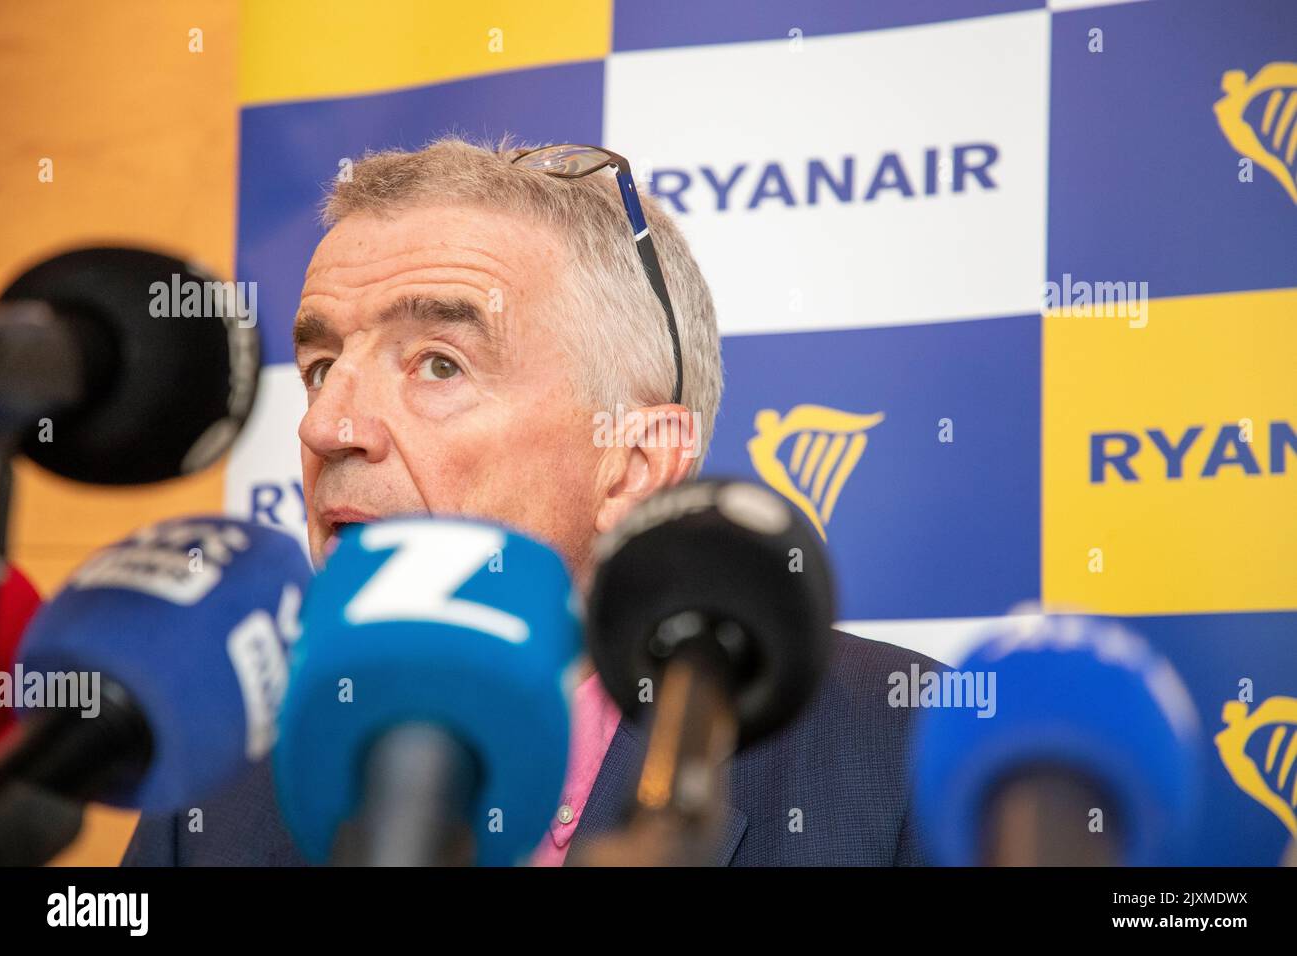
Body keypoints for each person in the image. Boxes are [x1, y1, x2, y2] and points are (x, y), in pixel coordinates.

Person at [124, 136, 939, 866]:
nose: (327, 425)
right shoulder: (216, 790)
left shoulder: (905, 754)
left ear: (630, 464)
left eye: (439, 364)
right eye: (321, 366)